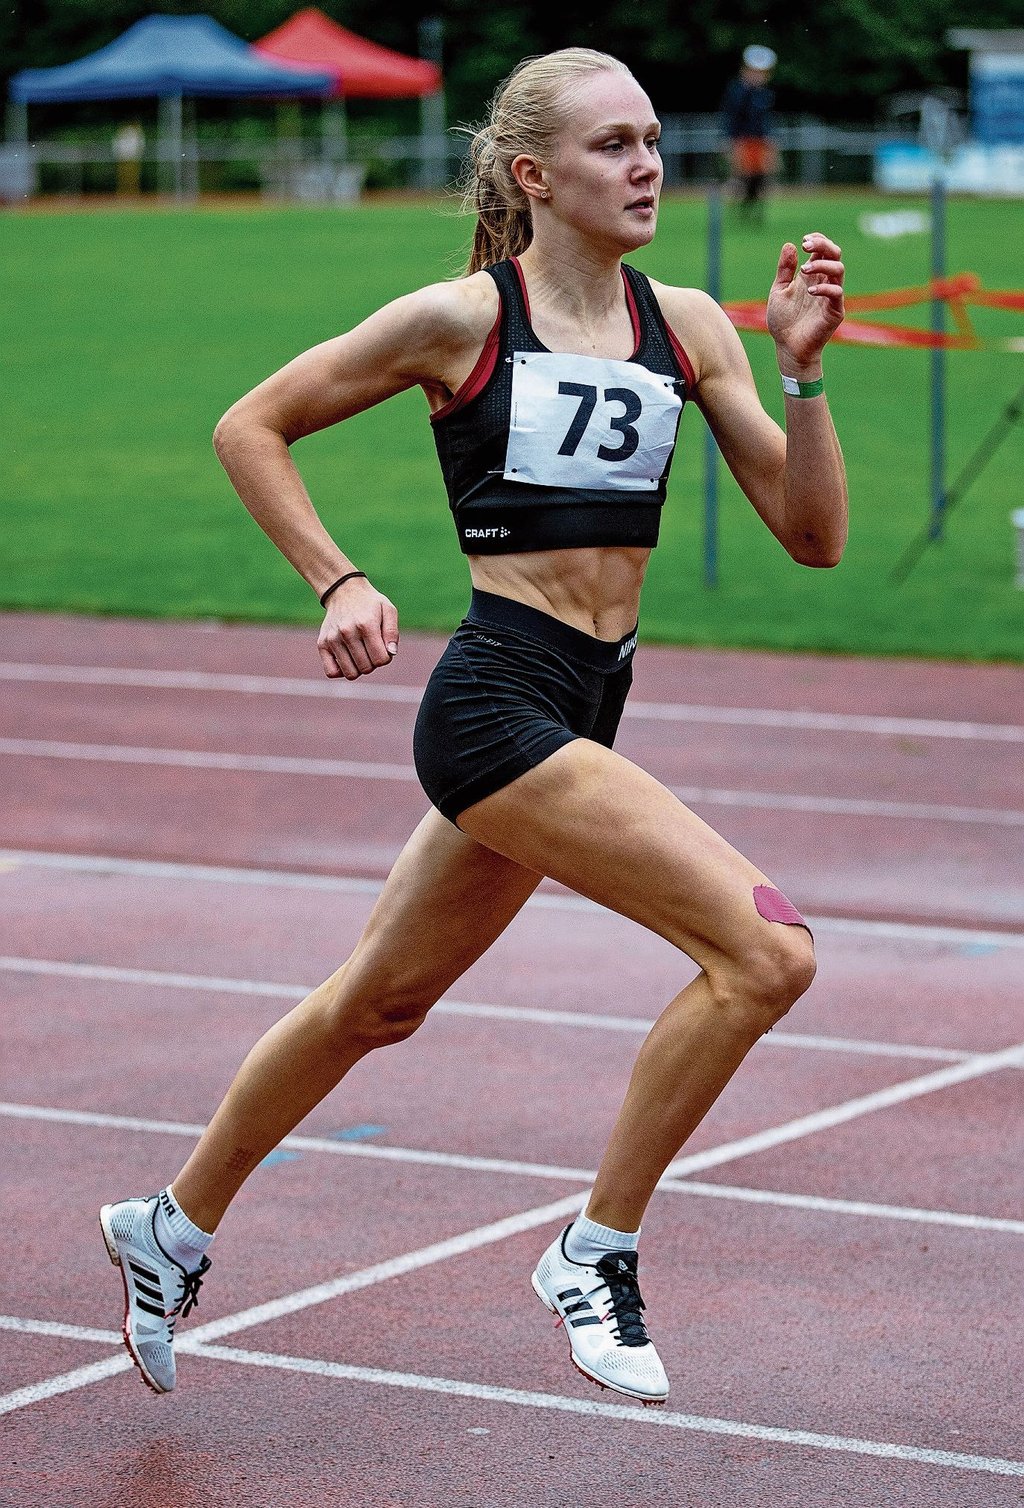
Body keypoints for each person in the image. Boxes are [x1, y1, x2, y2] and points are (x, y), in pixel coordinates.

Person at [100, 46, 847, 1407]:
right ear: (533, 175)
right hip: (498, 700)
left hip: (589, 701)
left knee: (378, 1002)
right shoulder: (460, 320)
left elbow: (813, 537)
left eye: (651, 140)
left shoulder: (690, 326)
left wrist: (803, 377)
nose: (646, 167)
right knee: (766, 953)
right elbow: (251, 425)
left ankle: (171, 1221)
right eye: (612, 145)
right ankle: (593, 1248)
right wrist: (337, 578)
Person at [721, 45, 779, 217]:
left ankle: (755, 212)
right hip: (742, 142)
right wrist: (730, 142)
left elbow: (764, 122)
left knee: (760, 179)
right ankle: (739, 210)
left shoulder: (764, 94)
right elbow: (732, 119)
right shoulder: (737, 92)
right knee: (741, 178)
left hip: (760, 142)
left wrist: (770, 141)